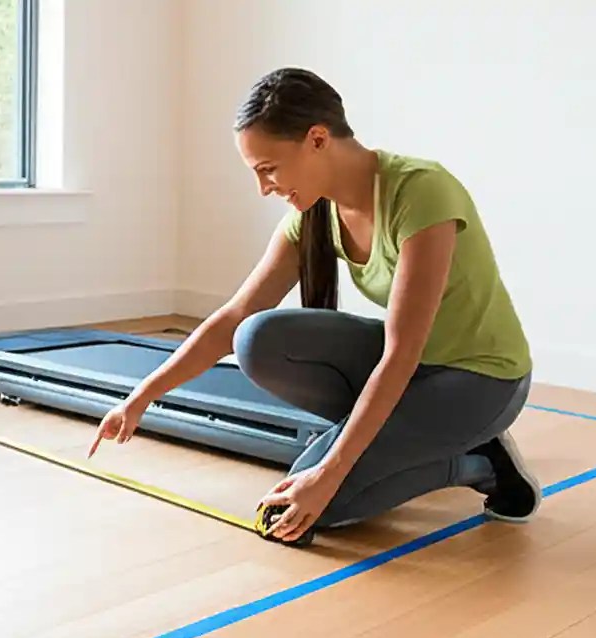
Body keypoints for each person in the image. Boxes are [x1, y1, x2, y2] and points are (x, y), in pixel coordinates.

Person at [88, 67, 540, 545]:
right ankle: (399, 444)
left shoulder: (422, 190)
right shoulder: (313, 215)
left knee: (315, 509)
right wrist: (140, 397)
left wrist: (330, 470)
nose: (264, 187)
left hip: (482, 379)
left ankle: (481, 462)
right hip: (415, 373)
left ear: (318, 139)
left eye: (269, 168)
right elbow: (234, 317)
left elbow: (402, 352)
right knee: (256, 338)